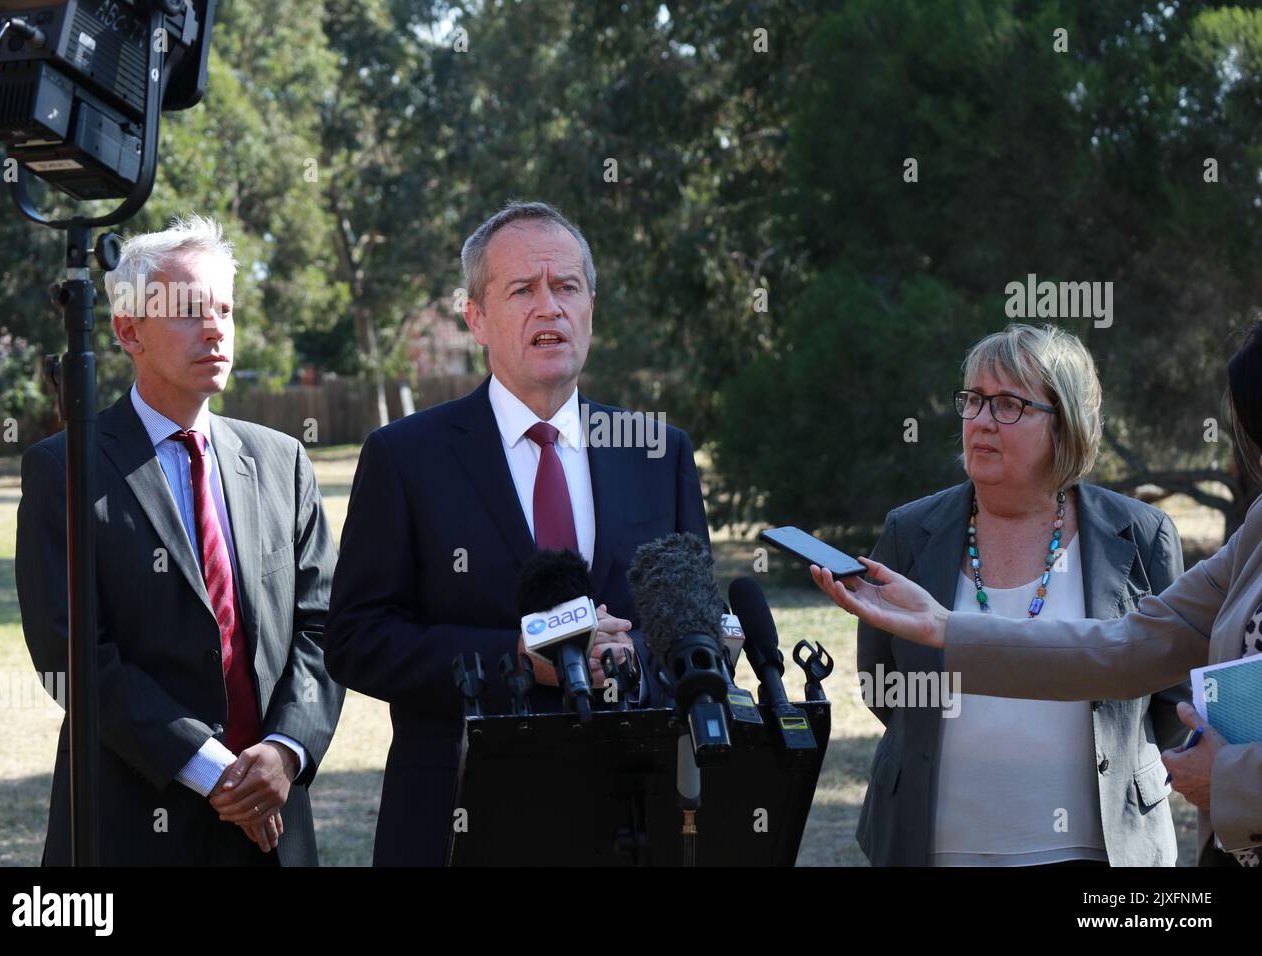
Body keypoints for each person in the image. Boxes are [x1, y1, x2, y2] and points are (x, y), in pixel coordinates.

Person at [324, 200, 709, 866]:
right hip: (458, 820)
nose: (549, 307)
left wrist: (625, 660)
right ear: (476, 317)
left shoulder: (657, 451)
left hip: (631, 819)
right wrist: (521, 658)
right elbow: (358, 641)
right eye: (522, 290)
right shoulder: (404, 456)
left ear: (591, 306)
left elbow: (699, 629)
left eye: (566, 287)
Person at [814, 322, 1262, 868]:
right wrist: (944, 630)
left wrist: (1231, 775)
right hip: (936, 844)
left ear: (1066, 425)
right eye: (973, 401)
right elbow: (885, 688)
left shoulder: (1140, 532)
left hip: (1098, 851)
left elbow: (1164, 695)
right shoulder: (910, 531)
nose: (981, 420)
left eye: (1008, 404)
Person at [15, 215, 345, 865]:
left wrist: (284, 751)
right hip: (133, 821)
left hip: (273, 823)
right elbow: (71, 653)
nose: (216, 326)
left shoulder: (283, 462)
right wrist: (208, 768)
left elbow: (323, 626)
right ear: (127, 330)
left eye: (225, 308)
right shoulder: (65, 469)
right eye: (191, 310)